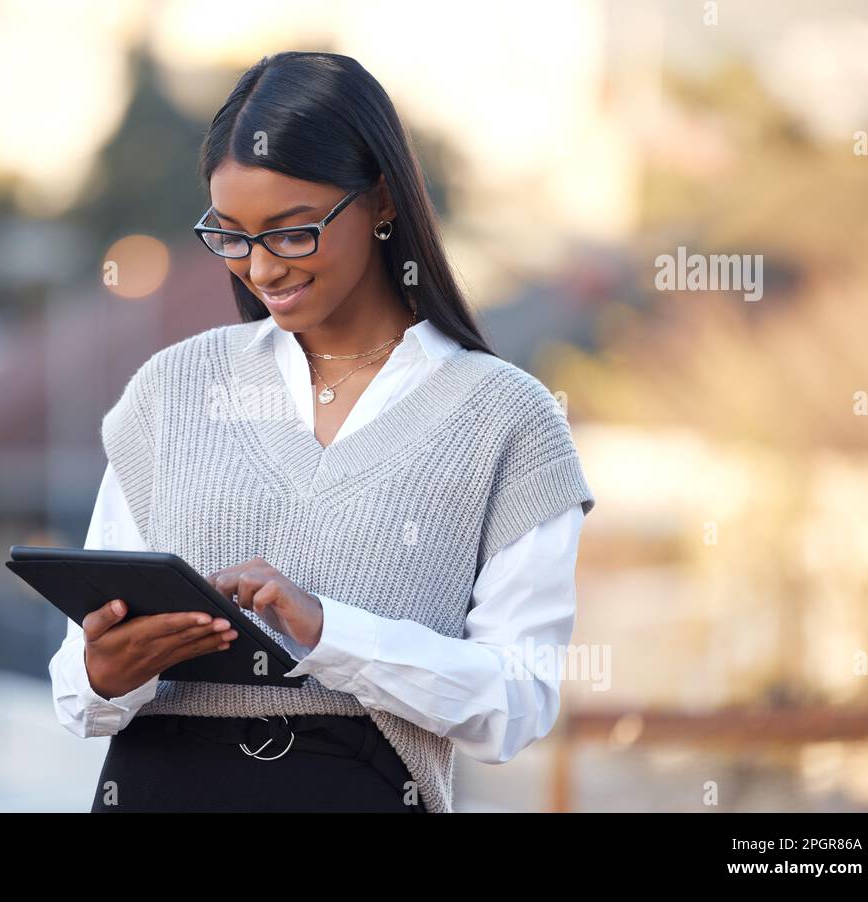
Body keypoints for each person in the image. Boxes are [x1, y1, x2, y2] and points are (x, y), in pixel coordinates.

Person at [47, 50, 596, 814]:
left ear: (380, 202)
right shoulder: (172, 394)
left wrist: (330, 630)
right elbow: (76, 689)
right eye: (232, 235)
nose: (261, 269)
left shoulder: (507, 420)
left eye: (291, 232)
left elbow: (518, 704)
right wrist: (104, 671)